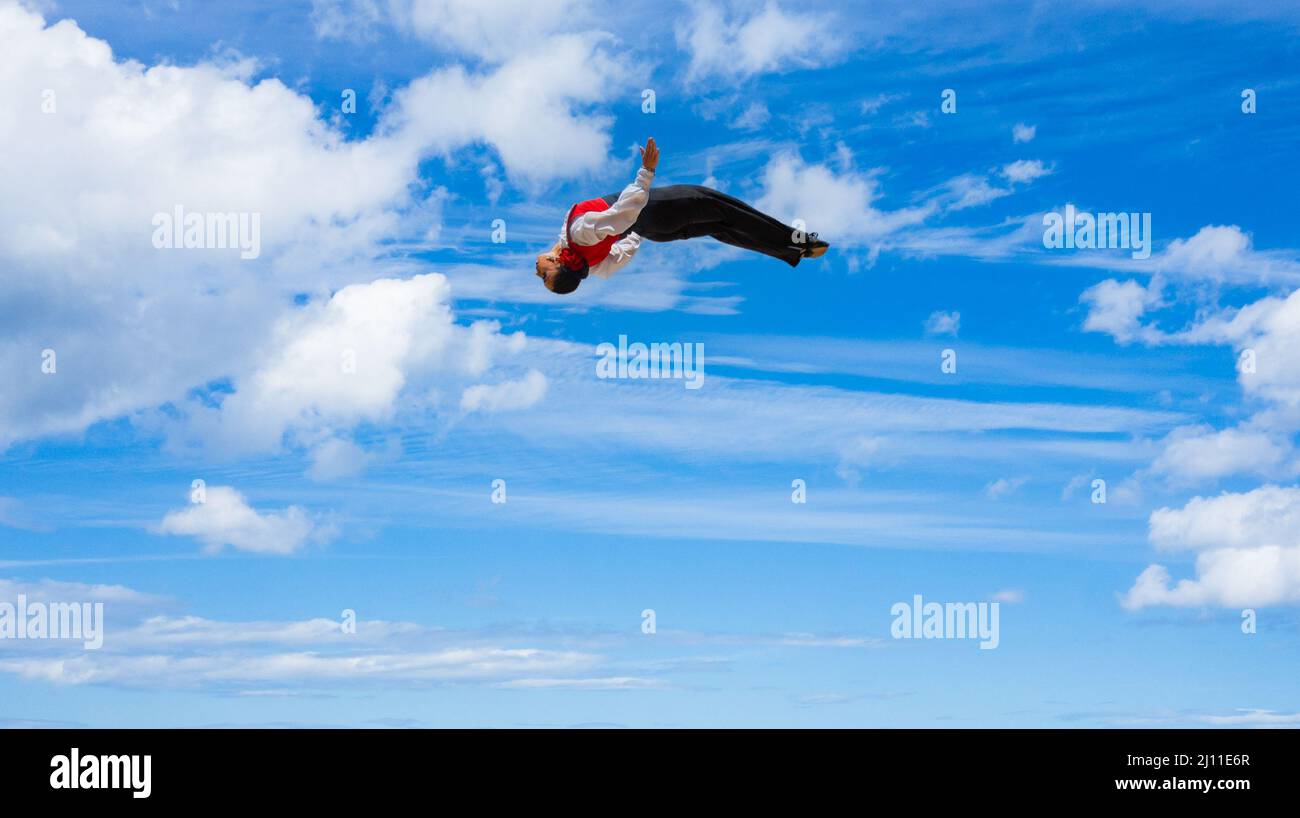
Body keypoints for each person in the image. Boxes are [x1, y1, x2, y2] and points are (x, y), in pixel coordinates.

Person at [535, 137, 829, 294]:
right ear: (558, 262)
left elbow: (620, 253)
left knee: (722, 227)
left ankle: (790, 249)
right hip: (656, 209)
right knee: (723, 209)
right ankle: (794, 242)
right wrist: (645, 174)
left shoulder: (590, 262)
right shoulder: (579, 232)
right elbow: (620, 217)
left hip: (658, 231)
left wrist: (638, 232)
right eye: (544, 274)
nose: (538, 272)